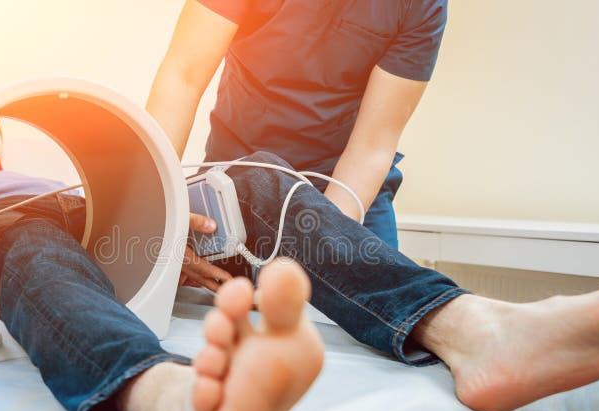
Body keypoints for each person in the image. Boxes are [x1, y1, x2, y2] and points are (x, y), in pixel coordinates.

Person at [0, 101, 599, 411]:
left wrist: (160, 235)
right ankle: (174, 402)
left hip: (84, 219)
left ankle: (474, 331)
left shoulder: (40, 171)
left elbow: (119, 216)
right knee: (32, 245)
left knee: (252, 189)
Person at [147, 0, 447, 267]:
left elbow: (372, 147)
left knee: (381, 313)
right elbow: (182, 79)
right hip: (237, 185)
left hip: (346, 187)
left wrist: (323, 245)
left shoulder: (421, 5)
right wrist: (156, 211)